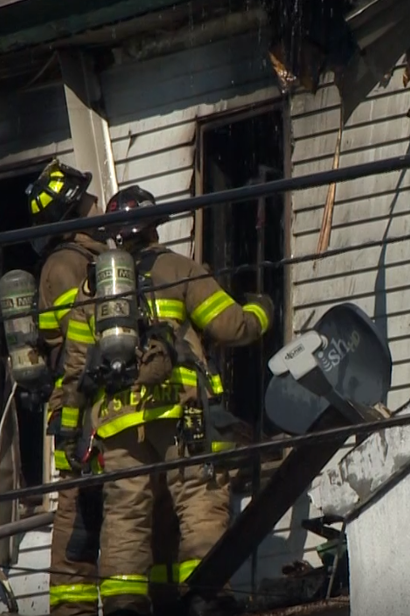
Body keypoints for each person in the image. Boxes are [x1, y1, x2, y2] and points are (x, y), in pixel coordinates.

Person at [58, 185, 275, 616]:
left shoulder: (92, 292)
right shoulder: (178, 268)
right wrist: (263, 310)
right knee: (198, 495)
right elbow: (231, 327)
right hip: (179, 409)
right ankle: (207, 594)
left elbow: (76, 371)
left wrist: (70, 430)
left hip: (116, 420)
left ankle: (123, 604)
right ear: (154, 225)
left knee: (126, 512)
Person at [26, 160, 110, 616]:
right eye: (87, 198)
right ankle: (72, 609)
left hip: (99, 398)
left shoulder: (96, 258)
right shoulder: (65, 265)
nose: (96, 203)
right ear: (74, 209)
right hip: (77, 400)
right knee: (78, 507)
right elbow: (81, 338)